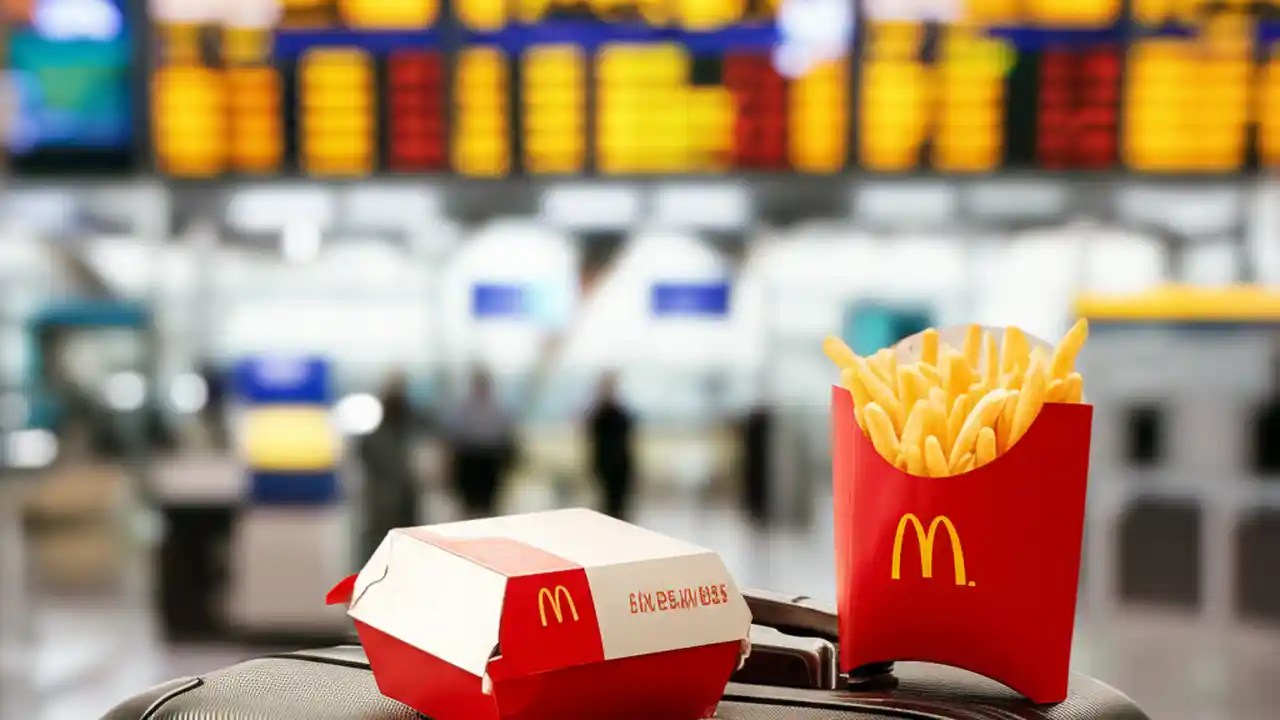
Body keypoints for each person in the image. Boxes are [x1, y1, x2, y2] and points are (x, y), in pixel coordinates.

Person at [359, 373, 420, 558]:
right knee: (378, 539)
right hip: (383, 499)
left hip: (398, 498)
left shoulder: (406, 434)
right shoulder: (377, 438)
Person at [447, 370, 516, 519]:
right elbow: (454, 437)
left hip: (489, 460)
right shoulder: (464, 408)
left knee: (487, 505)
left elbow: (505, 436)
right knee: (469, 505)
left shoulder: (497, 408)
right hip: (469, 460)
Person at [587, 373, 635, 520]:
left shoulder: (618, 413)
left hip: (619, 466)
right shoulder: (599, 414)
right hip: (606, 466)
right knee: (608, 506)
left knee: (618, 506)